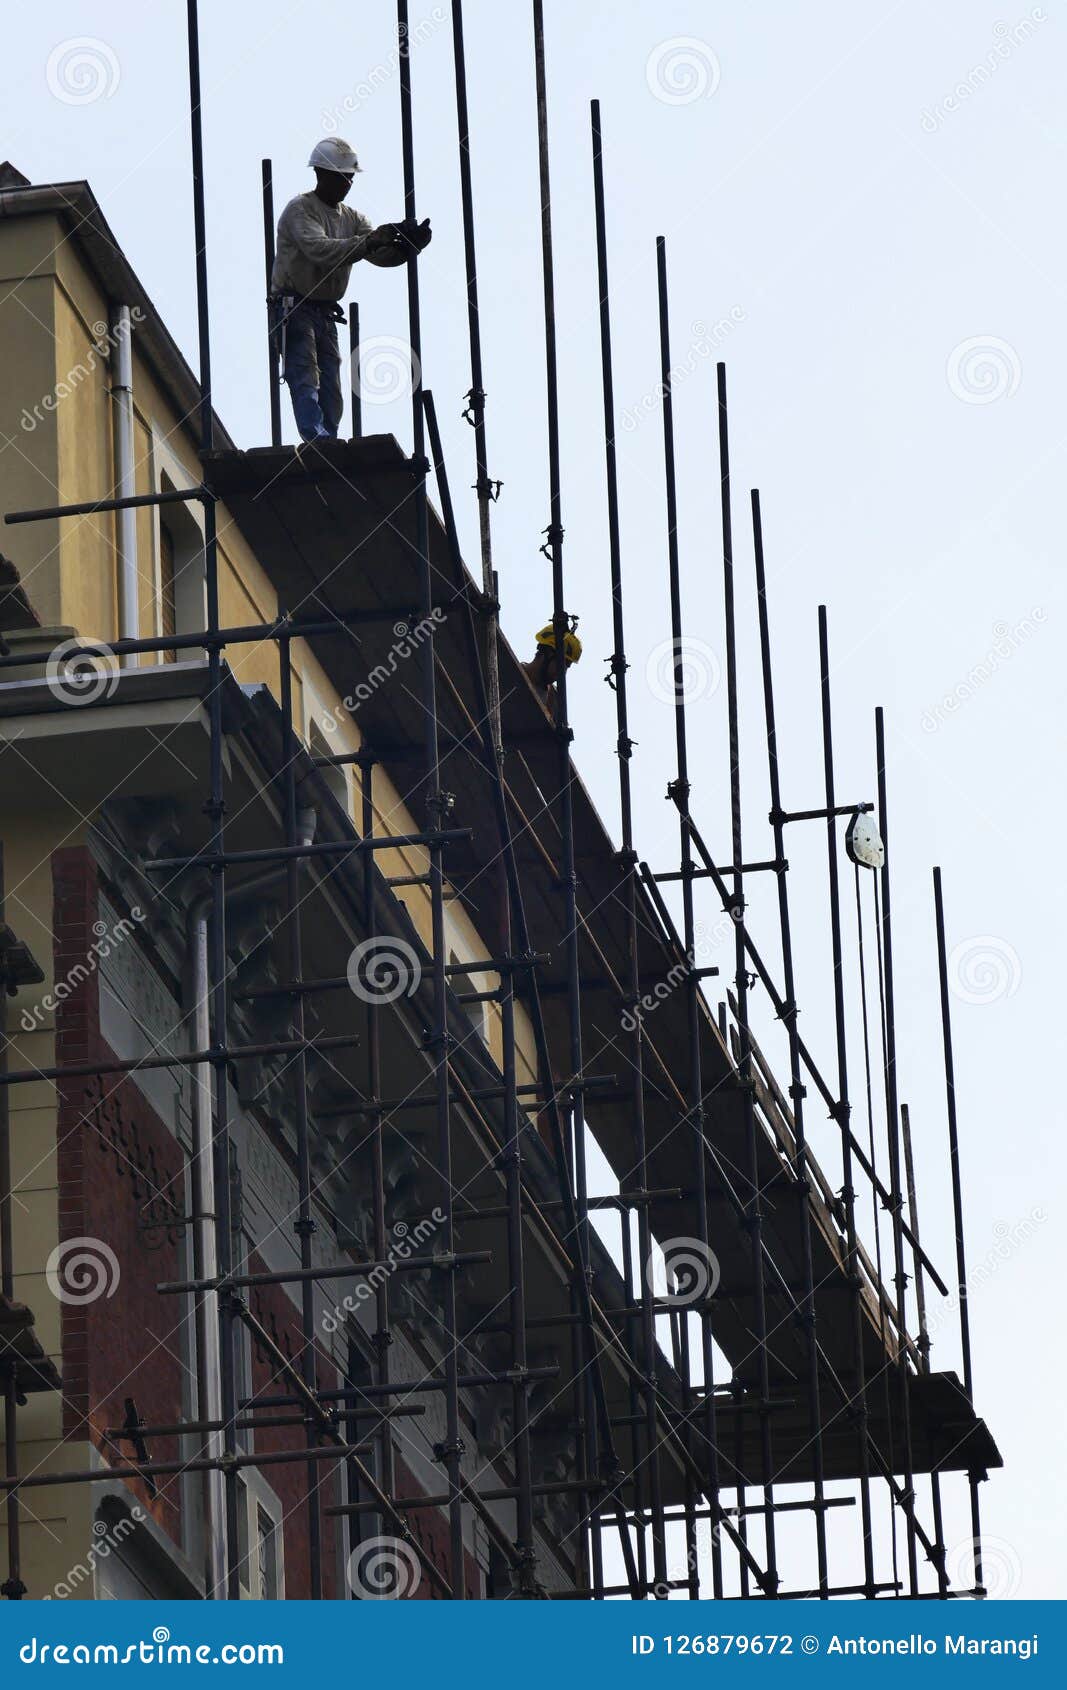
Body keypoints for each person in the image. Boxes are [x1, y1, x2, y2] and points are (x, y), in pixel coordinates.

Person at [270, 138, 431, 442]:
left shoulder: (353, 218)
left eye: (350, 178)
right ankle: (317, 439)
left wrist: (406, 248)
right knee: (305, 374)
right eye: (342, 177)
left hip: (323, 310)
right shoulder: (301, 210)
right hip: (293, 308)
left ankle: (328, 438)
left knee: (331, 383)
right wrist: (372, 241)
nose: (347, 184)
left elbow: (375, 254)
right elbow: (320, 250)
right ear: (321, 174)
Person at [521, 620, 583, 708]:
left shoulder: (555, 701)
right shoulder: (508, 670)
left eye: (567, 666)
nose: (563, 672)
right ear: (546, 653)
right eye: (561, 663)